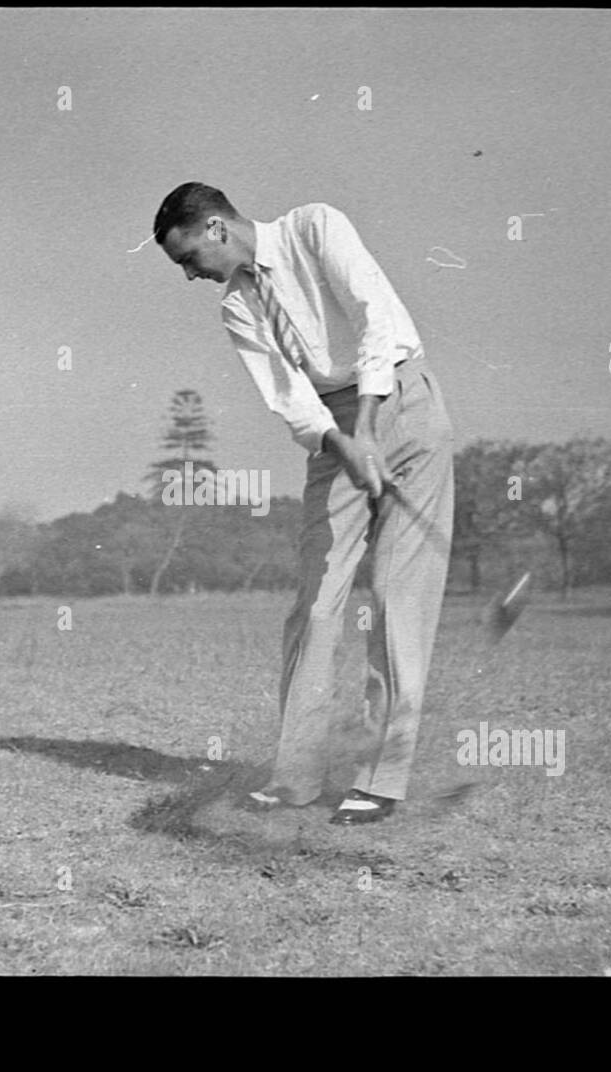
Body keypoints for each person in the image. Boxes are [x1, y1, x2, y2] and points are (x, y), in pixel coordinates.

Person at [153, 183, 455, 825]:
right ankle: (296, 777)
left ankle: (381, 778)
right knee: (316, 603)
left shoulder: (314, 227)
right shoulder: (238, 305)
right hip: (333, 433)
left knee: (398, 599)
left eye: (188, 259)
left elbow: (377, 317)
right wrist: (342, 444)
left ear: (215, 228)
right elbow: (287, 394)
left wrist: (368, 430)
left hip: (401, 403)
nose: (190, 275)